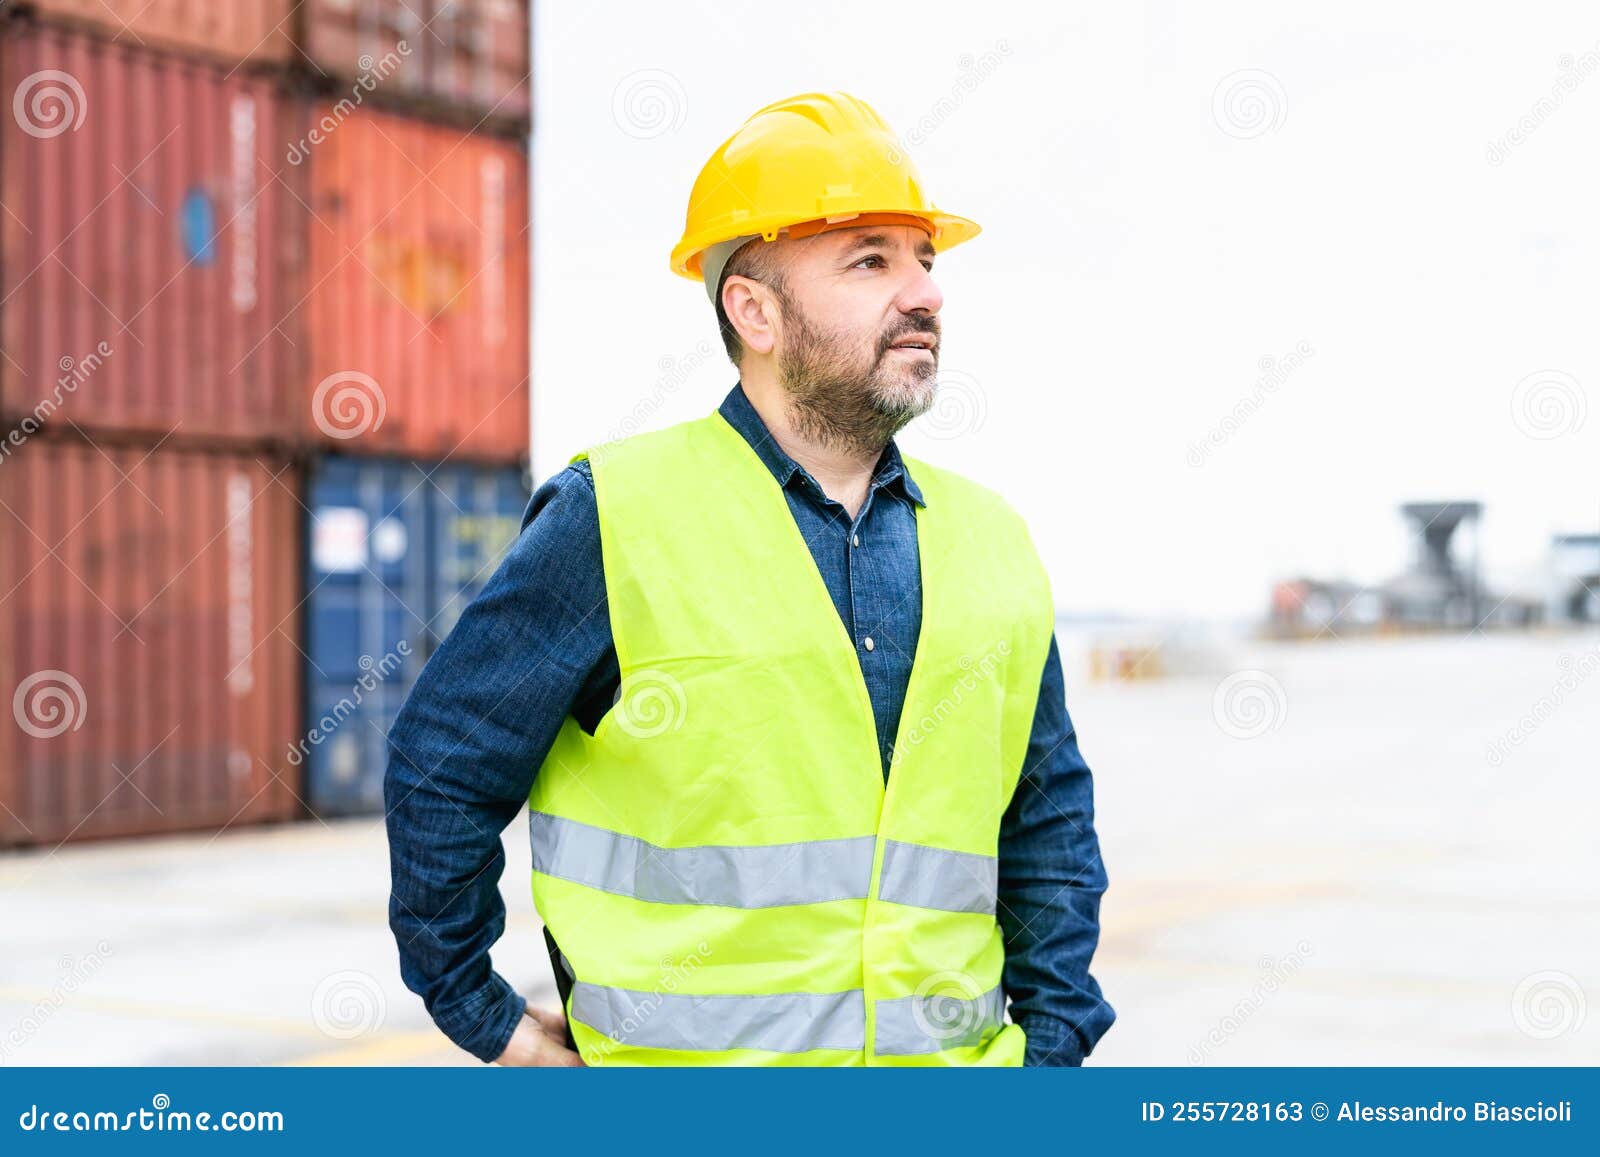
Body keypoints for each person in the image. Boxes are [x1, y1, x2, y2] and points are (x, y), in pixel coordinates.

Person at [385, 91, 1113, 1067]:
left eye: (925, 259)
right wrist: (488, 1019)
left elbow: (1049, 824)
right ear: (754, 309)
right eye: (871, 259)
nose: (926, 293)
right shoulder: (615, 514)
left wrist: (1053, 1052)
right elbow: (441, 770)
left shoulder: (994, 539)